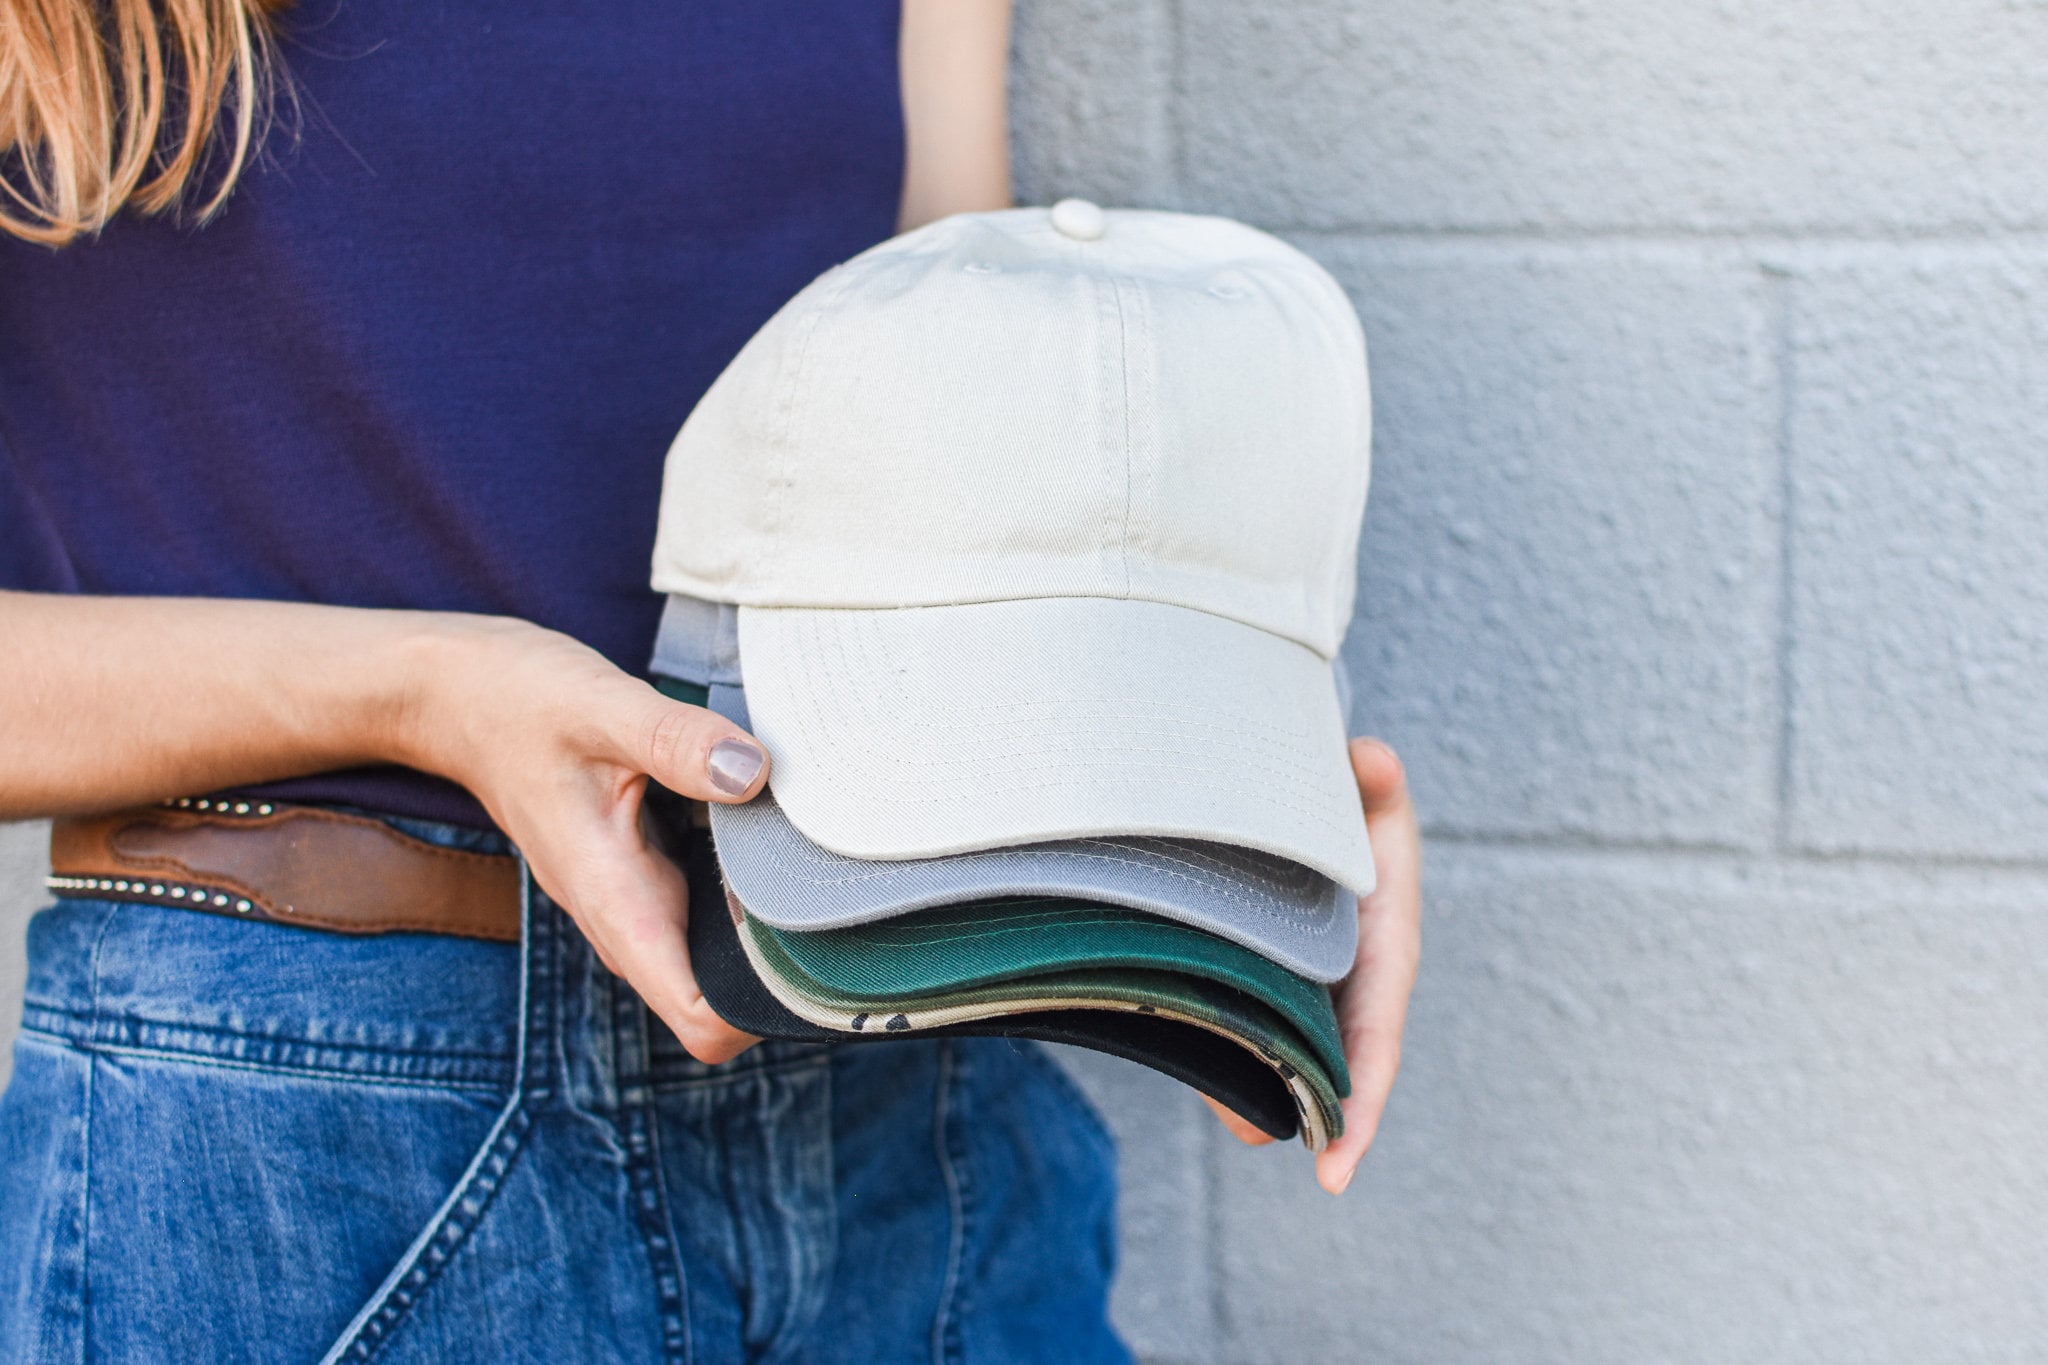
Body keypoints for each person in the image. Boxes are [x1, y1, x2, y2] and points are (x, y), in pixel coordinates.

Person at [0, 0, 1423, 1358]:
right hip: (303, 1146)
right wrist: (421, 688)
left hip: (883, 1030)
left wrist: (1234, 831)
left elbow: (962, 466)